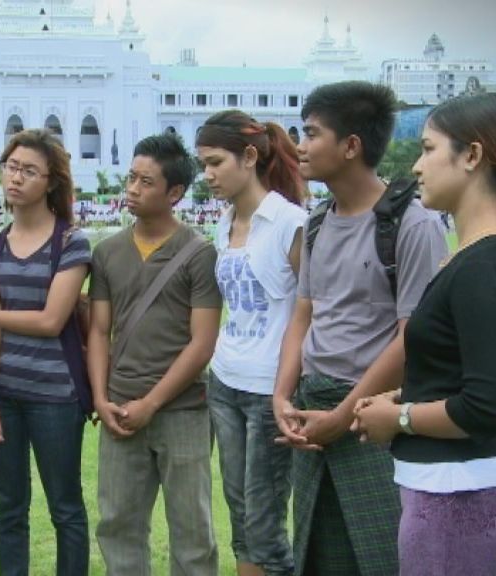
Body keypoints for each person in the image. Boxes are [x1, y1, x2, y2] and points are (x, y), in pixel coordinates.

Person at [352, 93, 496, 576]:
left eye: (428, 148)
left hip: (462, 499)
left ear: (472, 155)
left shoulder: (485, 265)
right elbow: (461, 376)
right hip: (450, 495)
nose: (417, 165)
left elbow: (489, 405)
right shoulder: (479, 258)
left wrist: (399, 416)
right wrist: (398, 399)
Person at [273, 81, 448, 576]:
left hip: (373, 418)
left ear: (351, 145)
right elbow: (303, 313)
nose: (300, 146)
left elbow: (411, 337)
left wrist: (343, 414)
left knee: (381, 557)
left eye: (312, 134)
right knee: (316, 555)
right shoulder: (318, 221)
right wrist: (281, 396)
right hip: (313, 407)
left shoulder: (413, 224)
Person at [89, 133, 222, 576]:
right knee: (118, 527)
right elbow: (99, 330)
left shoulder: (199, 254)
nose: (132, 189)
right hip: (118, 410)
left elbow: (202, 343)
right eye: (131, 178)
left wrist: (151, 403)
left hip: (183, 411)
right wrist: (100, 399)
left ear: (175, 193)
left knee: (193, 534)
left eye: (146, 182)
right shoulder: (107, 252)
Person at [0, 128, 91, 576]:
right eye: (11, 167)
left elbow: (50, 321)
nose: (15, 177)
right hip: (4, 396)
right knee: (9, 508)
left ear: (51, 181)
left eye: (29, 171)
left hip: (56, 397)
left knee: (65, 507)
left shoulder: (70, 242)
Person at [196, 110, 307, 576]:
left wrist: (286, 390)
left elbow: (312, 312)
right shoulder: (223, 223)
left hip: (269, 392)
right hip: (224, 382)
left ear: (249, 157)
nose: (207, 174)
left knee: (265, 525)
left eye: (215, 162)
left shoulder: (290, 223)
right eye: (202, 164)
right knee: (240, 515)